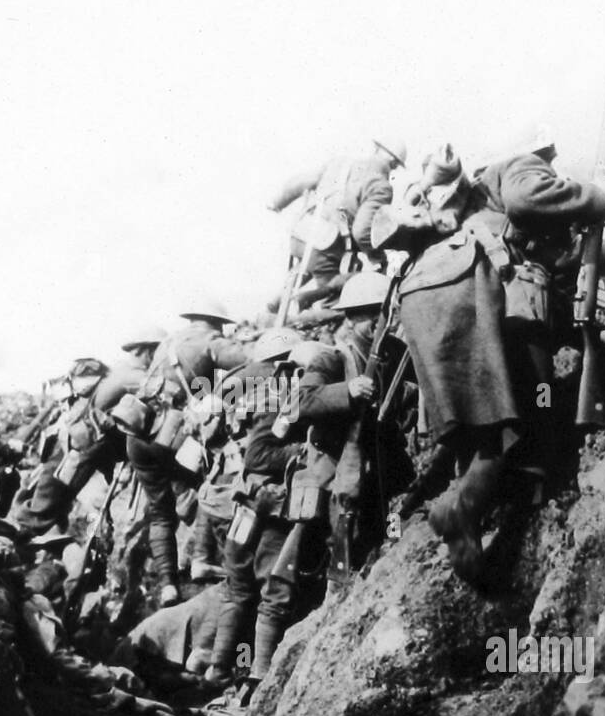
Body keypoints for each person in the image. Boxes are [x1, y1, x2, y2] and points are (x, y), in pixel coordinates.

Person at [376, 130, 605, 584]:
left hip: (446, 303)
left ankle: (482, 509)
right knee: (529, 413)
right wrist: (595, 196)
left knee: (486, 423)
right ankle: (465, 508)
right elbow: (528, 198)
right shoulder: (520, 166)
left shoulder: (475, 200)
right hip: (508, 304)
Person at [285, 273, 414, 591]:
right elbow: (297, 404)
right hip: (345, 475)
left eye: (382, 313)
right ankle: (337, 599)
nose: (379, 322)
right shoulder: (331, 359)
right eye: (370, 314)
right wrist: (348, 390)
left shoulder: (395, 351)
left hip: (388, 468)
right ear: (353, 318)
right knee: (347, 551)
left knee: (394, 529)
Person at [126, 299, 250, 607]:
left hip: (137, 436)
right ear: (216, 323)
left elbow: (196, 387)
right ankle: (203, 558)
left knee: (160, 511)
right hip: (170, 436)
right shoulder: (210, 341)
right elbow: (251, 361)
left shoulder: (168, 342)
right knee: (214, 479)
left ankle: (168, 585)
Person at [204, 327, 306, 693]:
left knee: (237, 587)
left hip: (243, 499)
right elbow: (260, 453)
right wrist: (301, 453)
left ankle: (219, 670)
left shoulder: (239, 382)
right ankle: (257, 675)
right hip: (273, 501)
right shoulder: (276, 391)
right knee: (274, 586)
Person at [19, 327, 165, 534]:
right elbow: (166, 387)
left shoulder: (122, 371)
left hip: (93, 440)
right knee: (56, 495)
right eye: (158, 351)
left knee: (61, 491)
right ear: (144, 351)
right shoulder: (132, 374)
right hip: (88, 442)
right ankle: (23, 534)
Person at [267, 138, 405, 313]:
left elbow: (302, 181)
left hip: (301, 235)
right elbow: (362, 232)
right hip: (325, 249)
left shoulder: (340, 163)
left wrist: (278, 202)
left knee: (303, 271)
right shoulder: (381, 186)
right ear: (393, 163)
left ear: (377, 149)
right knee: (336, 297)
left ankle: (273, 306)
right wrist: (377, 258)